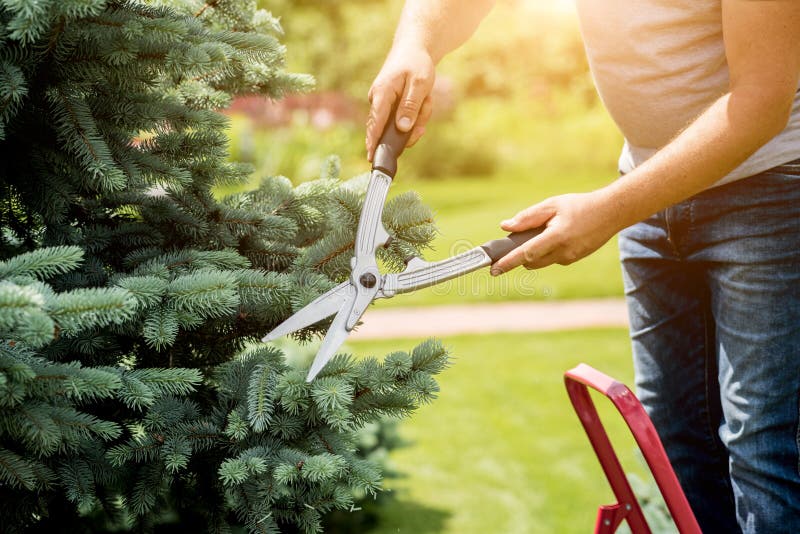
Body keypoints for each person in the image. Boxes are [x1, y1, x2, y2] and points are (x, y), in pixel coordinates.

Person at [365, 1, 800, 532]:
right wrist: (415, 43)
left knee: (764, 451)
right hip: (647, 187)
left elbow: (762, 101)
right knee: (677, 453)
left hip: (768, 194)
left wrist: (611, 210)